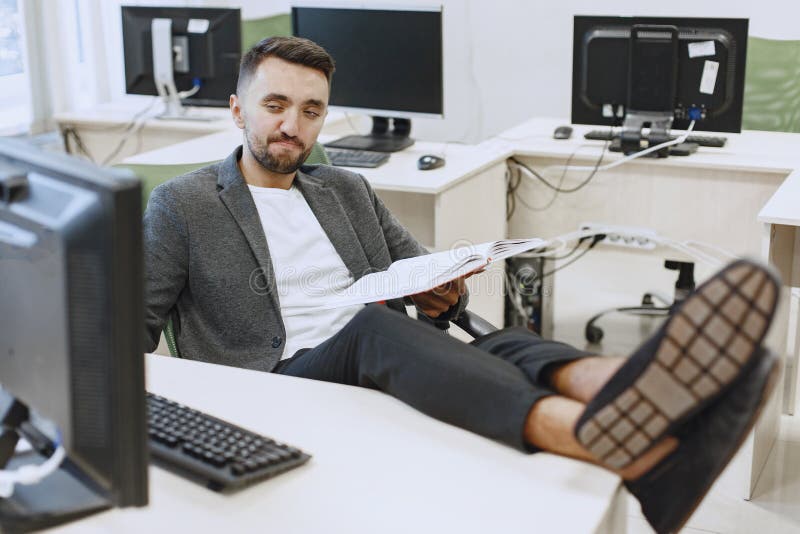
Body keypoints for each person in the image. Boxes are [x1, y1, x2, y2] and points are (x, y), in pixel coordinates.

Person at [144, 36, 781, 534]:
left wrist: (443, 291)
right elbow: (134, 331)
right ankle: (592, 435)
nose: (293, 126)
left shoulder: (346, 188)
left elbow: (423, 271)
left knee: (501, 344)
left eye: (311, 111)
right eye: (275, 105)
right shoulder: (183, 205)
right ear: (237, 109)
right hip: (278, 377)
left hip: (369, 346)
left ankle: (628, 395)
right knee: (374, 330)